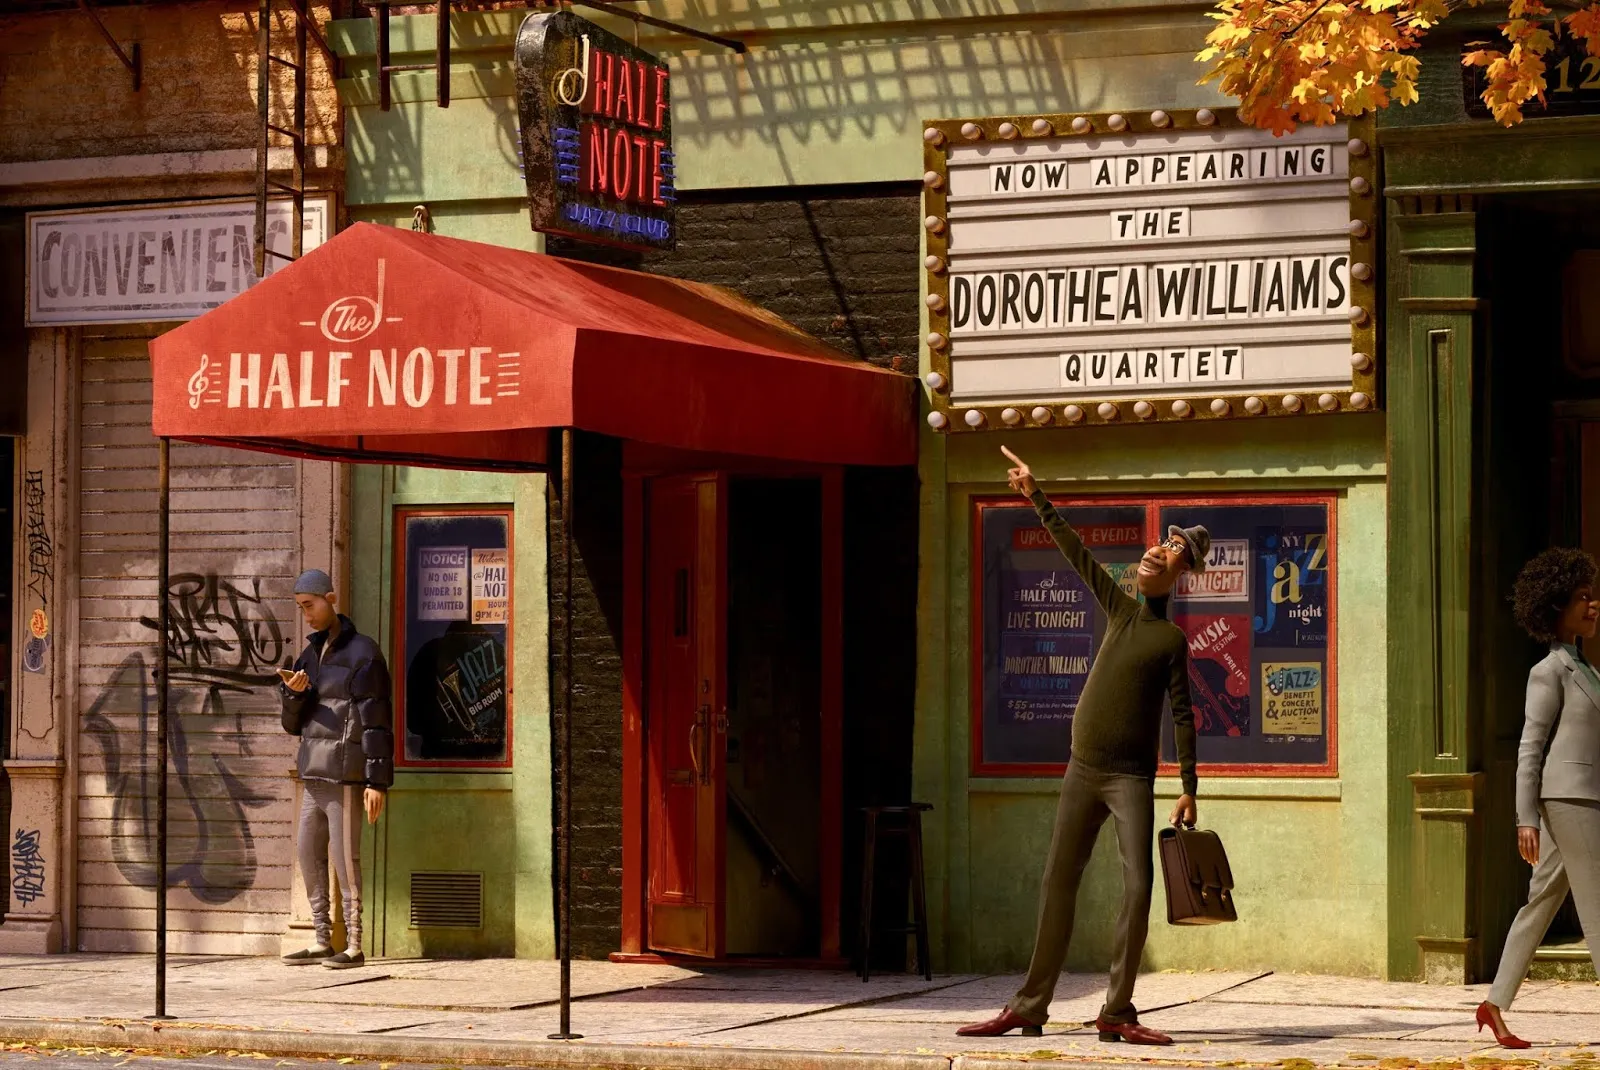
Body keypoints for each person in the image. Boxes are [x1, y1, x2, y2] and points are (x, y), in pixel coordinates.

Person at [959, 446, 1206, 1045]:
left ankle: (1116, 1012)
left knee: (1139, 887)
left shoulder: (1170, 640)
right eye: (1160, 541)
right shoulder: (1119, 610)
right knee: (1057, 883)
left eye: (1174, 549)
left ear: (1183, 572)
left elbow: (1182, 715)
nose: (1159, 549)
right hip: (1082, 770)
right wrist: (1034, 493)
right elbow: (1075, 550)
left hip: (1130, 779)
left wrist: (1189, 788)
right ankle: (1029, 1006)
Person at [1476, 547, 1600, 1048]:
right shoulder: (1549, 670)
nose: (1593, 604)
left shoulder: (1585, 668)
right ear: (1557, 606)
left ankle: (1493, 1004)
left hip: (1583, 797)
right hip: (1569, 800)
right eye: (1582, 597)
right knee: (1597, 905)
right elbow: (1530, 745)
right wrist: (1524, 816)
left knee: (1540, 903)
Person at [278, 569, 395, 969]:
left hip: (346, 775)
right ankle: (321, 940)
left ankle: (355, 945)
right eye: (300, 608)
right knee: (307, 855)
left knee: (346, 862)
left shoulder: (364, 653)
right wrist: (293, 696)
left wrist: (377, 781)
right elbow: (292, 725)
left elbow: (377, 721)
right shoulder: (308, 655)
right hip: (313, 773)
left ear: (330, 599)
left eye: (310, 605)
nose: (306, 615)